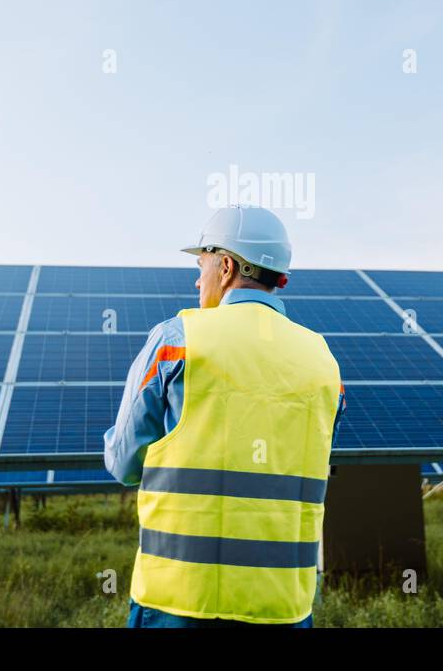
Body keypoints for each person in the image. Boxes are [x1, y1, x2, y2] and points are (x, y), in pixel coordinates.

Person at [104, 205, 346, 627]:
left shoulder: (175, 342)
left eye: (202, 265)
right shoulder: (323, 363)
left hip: (179, 600)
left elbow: (123, 463)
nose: (198, 279)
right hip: (283, 606)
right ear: (279, 280)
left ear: (228, 266)